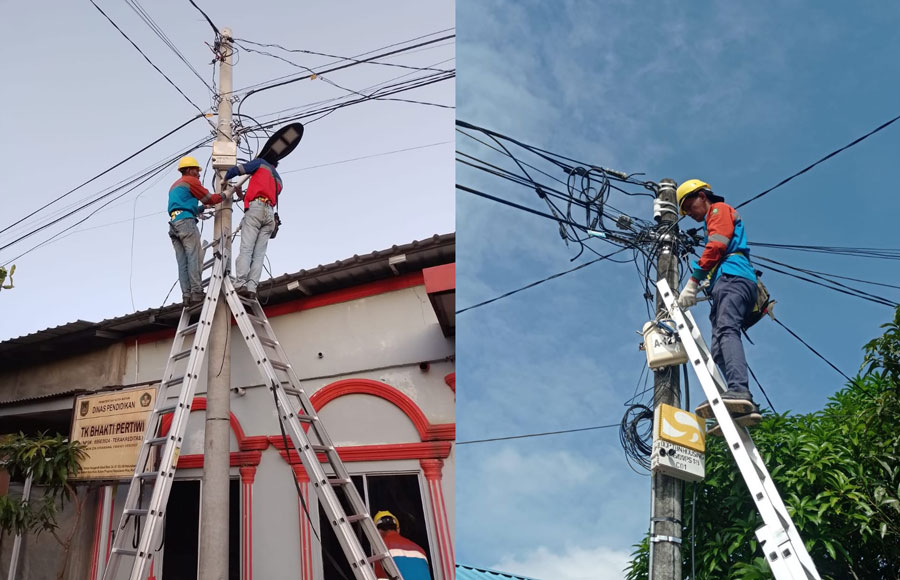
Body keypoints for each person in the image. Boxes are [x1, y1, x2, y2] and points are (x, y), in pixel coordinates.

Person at [676, 179, 761, 432]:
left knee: (726, 330)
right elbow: (715, 255)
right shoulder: (710, 220)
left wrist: (693, 281)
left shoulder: (718, 211)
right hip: (728, 280)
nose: (689, 214)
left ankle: (738, 391)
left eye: (689, 206)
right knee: (718, 350)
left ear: (702, 195)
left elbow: (717, 246)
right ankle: (742, 407)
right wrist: (703, 282)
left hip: (734, 277)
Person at [224, 157, 283, 300]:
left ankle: (241, 283)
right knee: (259, 254)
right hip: (269, 215)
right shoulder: (279, 180)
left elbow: (239, 170)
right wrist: (242, 196)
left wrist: (224, 178)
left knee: (246, 248)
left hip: (256, 209)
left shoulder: (261, 163)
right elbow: (263, 195)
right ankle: (251, 287)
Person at [168, 156, 222, 305]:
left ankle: (186, 296)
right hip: (186, 223)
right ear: (190, 170)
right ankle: (197, 292)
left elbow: (183, 207)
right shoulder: (191, 181)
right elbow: (209, 198)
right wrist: (224, 195)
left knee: (182, 262)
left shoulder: (175, 185)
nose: (199, 174)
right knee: (194, 257)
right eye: (197, 171)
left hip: (174, 224)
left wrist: (202, 208)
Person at [372, 510, 432, 580]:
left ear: (376, 532)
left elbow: (379, 577)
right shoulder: (420, 550)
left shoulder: (380, 548)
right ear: (398, 530)